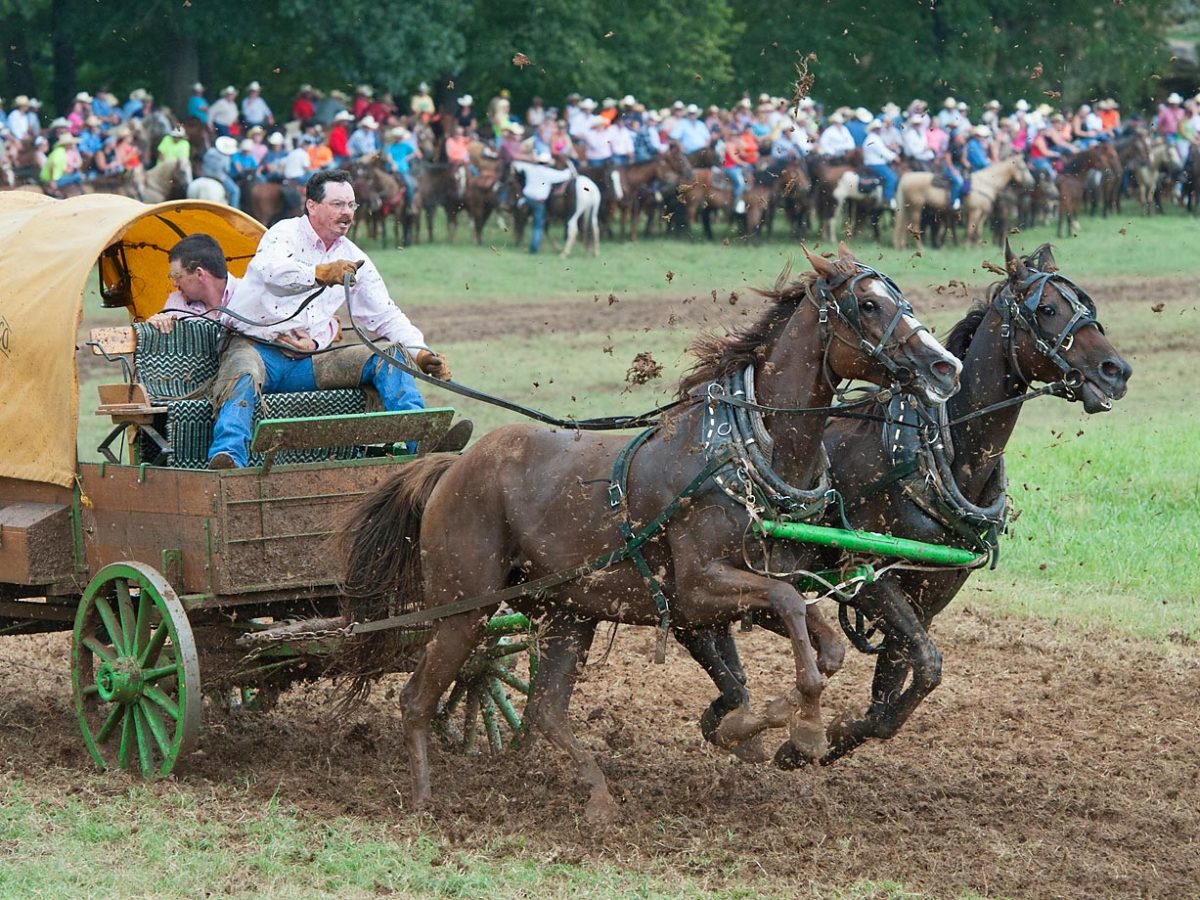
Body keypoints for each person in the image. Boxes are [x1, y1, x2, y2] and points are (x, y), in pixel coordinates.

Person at [206, 169, 467, 468]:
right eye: (338, 204)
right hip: (255, 348)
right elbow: (272, 273)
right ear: (312, 206)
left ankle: (423, 443)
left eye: (351, 205)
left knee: (388, 355)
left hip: (309, 362)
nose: (347, 213)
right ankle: (227, 458)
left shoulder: (356, 259)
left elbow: (384, 314)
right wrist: (320, 273)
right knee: (243, 371)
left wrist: (420, 353)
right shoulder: (283, 233)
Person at [148, 234, 240, 333]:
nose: (174, 284)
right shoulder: (177, 302)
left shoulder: (249, 295)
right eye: (172, 277)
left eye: (178, 276)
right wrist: (153, 329)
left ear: (199, 274)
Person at [511, 153, 575, 254]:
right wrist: (568, 163)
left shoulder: (530, 168)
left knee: (520, 216)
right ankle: (533, 249)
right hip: (538, 202)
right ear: (547, 163)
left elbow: (516, 164)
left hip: (527, 198)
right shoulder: (550, 173)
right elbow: (568, 174)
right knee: (537, 226)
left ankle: (519, 238)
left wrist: (529, 158)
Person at [862, 119, 898, 209]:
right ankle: (887, 199)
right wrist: (894, 157)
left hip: (873, 163)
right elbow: (883, 152)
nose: (878, 130)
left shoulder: (872, 138)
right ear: (873, 129)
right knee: (892, 177)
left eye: (879, 128)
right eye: (877, 128)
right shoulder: (874, 139)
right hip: (876, 164)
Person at [202, 135, 241, 209]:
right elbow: (227, 170)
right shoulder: (226, 157)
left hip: (205, 175)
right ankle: (234, 210)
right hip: (219, 177)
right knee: (235, 191)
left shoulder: (211, 151)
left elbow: (204, 160)